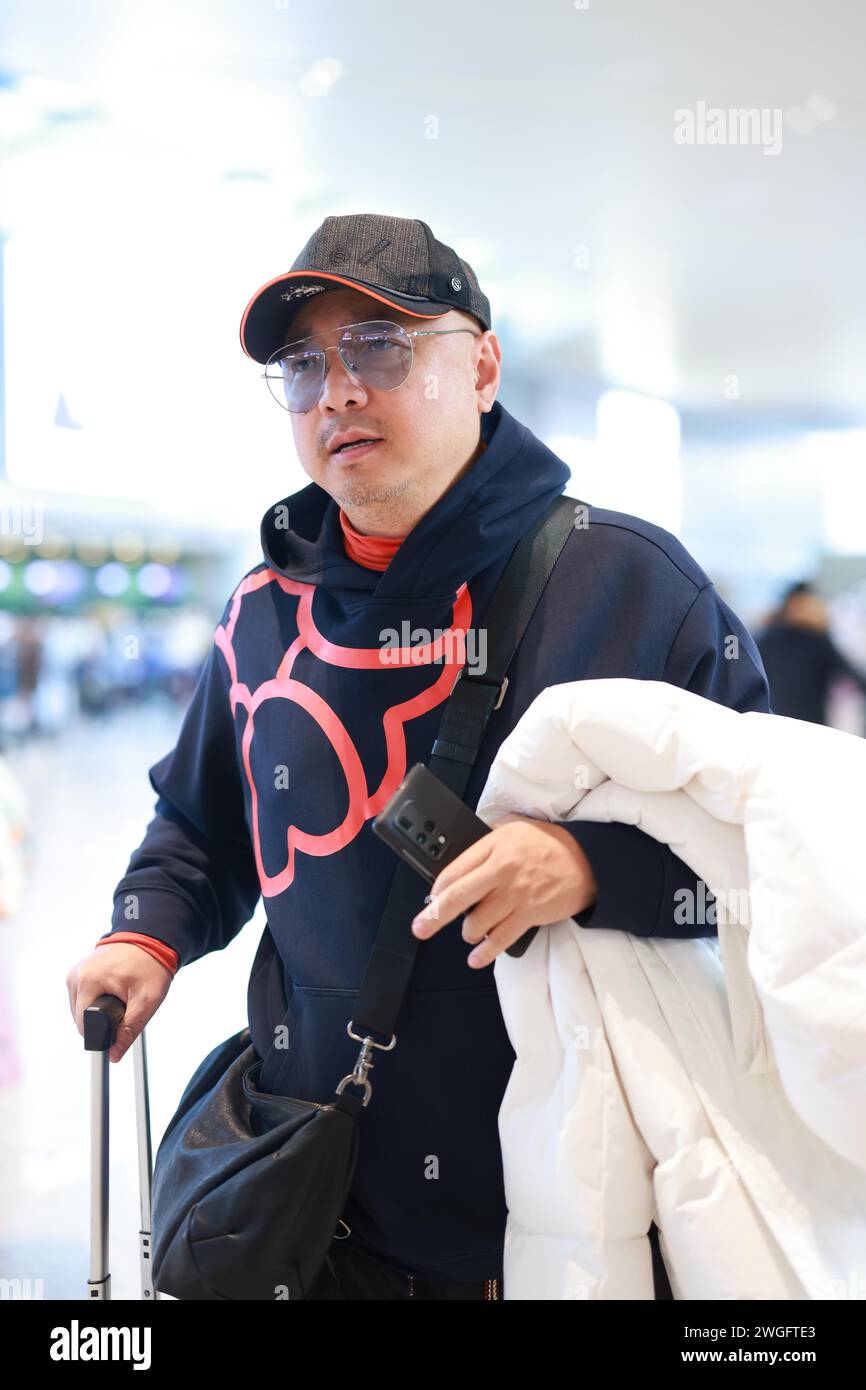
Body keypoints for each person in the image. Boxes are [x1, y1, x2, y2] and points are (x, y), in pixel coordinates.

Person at [67, 213, 771, 1301]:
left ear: (481, 365)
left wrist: (589, 867)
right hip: (323, 1205)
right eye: (302, 367)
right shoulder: (264, 612)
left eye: (379, 349)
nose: (336, 392)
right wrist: (146, 933)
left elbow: (764, 854)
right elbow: (199, 828)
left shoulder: (630, 586)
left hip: (575, 1226)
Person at [755, 579, 866, 729]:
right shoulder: (815, 638)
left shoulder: (767, 636)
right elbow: (849, 673)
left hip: (775, 721)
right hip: (806, 726)